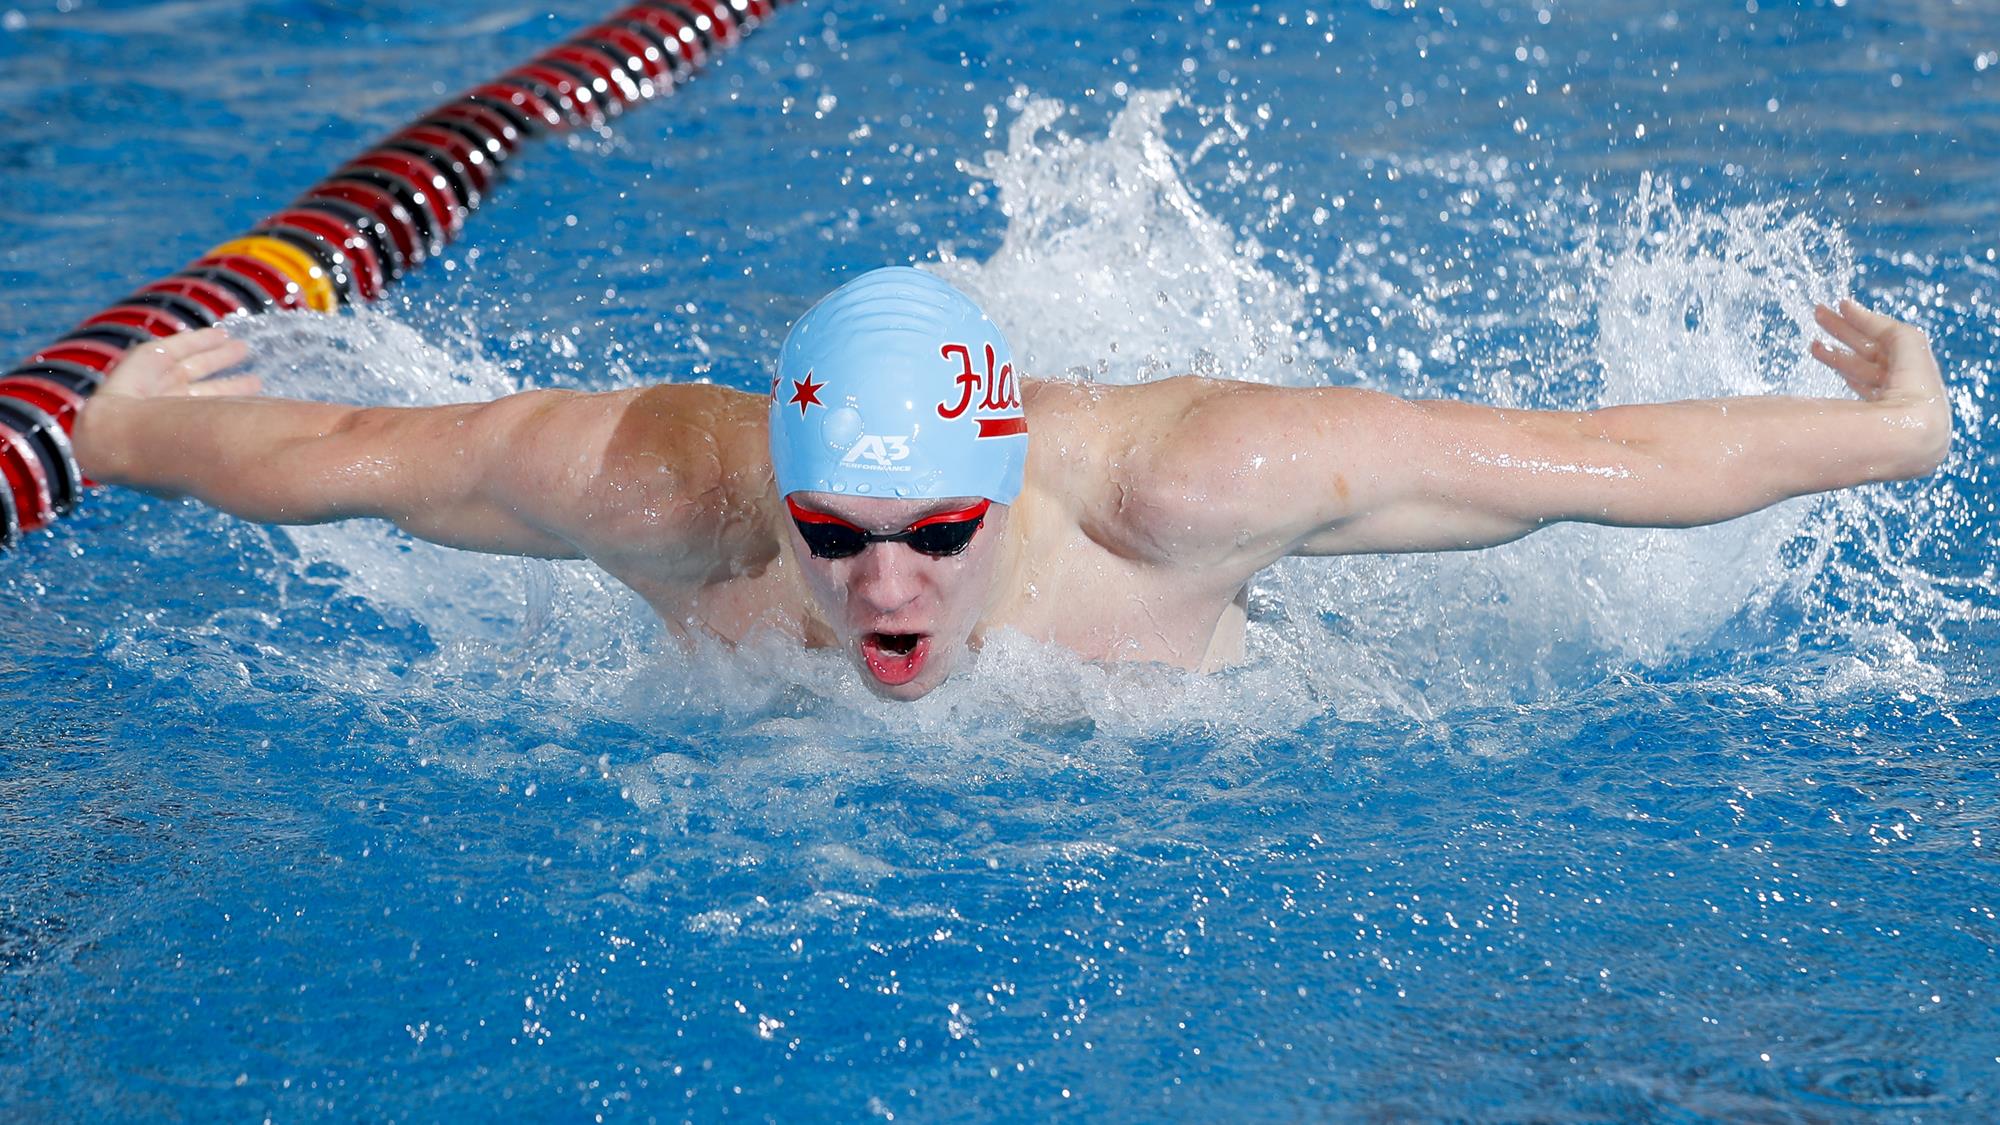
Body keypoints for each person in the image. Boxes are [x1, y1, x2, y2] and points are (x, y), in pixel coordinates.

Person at [69, 267, 1951, 700]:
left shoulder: (1189, 489)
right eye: (835, 536)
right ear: (776, 491)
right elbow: (359, 464)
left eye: (938, 535)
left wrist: (1888, 433)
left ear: (1010, 483)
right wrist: (121, 428)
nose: (883, 590)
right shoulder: (664, 485)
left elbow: (1582, 465)